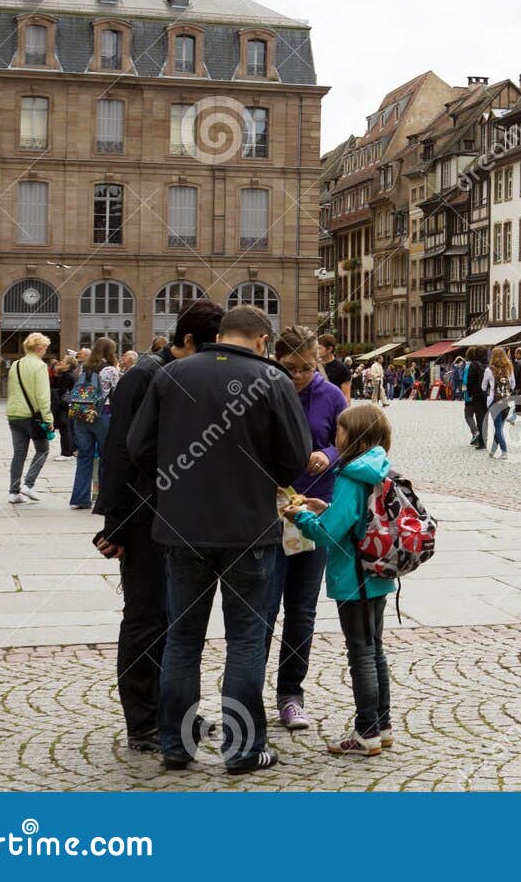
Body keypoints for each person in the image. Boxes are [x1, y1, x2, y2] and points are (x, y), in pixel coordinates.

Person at [127, 304, 312, 775]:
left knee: (183, 640)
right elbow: (295, 458)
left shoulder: (172, 376)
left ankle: (175, 743)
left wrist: (178, 476)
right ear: (262, 340)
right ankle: (243, 749)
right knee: (247, 640)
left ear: (221, 335)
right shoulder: (273, 382)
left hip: (183, 529)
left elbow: (138, 447)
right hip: (249, 530)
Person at [94, 301, 225, 754]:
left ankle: (177, 712)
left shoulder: (178, 374)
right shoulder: (146, 375)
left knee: (176, 622)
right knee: (146, 618)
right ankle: (144, 721)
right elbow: (118, 452)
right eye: (207, 348)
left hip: (174, 515)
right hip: (143, 517)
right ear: (187, 342)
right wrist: (115, 524)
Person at [281, 403, 399, 756]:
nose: (335, 434)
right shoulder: (375, 468)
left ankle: (366, 732)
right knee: (375, 651)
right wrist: (321, 506)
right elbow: (354, 518)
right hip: (377, 572)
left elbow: (329, 535)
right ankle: (383, 724)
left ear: (356, 435)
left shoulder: (349, 476)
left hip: (354, 576)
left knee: (360, 654)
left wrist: (301, 516)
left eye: (341, 429)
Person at [262, 325, 349, 733]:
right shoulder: (266, 390)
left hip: (314, 512)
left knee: (301, 609)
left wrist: (327, 453)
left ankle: (290, 695)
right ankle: (246, 693)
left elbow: (348, 443)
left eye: (305, 368)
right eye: (289, 367)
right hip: (270, 511)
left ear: (317, 362)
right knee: (261, 608)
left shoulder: (330, 395)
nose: (297, 376)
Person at [67, 338, 121, 510]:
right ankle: (102, 499)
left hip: (81, 415)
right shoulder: (110, 369)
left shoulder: (85, 367)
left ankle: (80, 498)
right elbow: (119, 391)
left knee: (84, 457)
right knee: (106, 458)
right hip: (101, 415)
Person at [5, 334, 55, 504]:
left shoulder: (15, 365)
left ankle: (13, 492)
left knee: (19, 454)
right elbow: (43, 396)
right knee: (43, 449)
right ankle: (28, 484)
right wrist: (48, 419)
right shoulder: (40, 366)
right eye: (46, 347)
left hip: (14, 414)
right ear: (39, 347)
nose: (46, 350)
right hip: (32, 416)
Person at [486, 347, 515, 458]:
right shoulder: (509, 368)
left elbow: (484, 386)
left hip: (494, 401)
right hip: (506, 400)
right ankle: (493, 450)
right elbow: (513, 385)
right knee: (500, 427)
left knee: (498, 427)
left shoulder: (489, 370)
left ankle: (504, 451)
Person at [462, 348, 488, 449]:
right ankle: (484, 438)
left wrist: (469, 393)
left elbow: (468, 381)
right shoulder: (486, 364)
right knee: (484, 417)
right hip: (485, 394)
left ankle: (478, 436)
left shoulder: (472, 365)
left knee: (472, 416)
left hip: (475, 395)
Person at [318, 334, 352, 400]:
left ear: (329, 349)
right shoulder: (313, 366)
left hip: (334, 407)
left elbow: (346, 396)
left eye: (319, 348)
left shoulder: (342, 369)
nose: (316, 350)